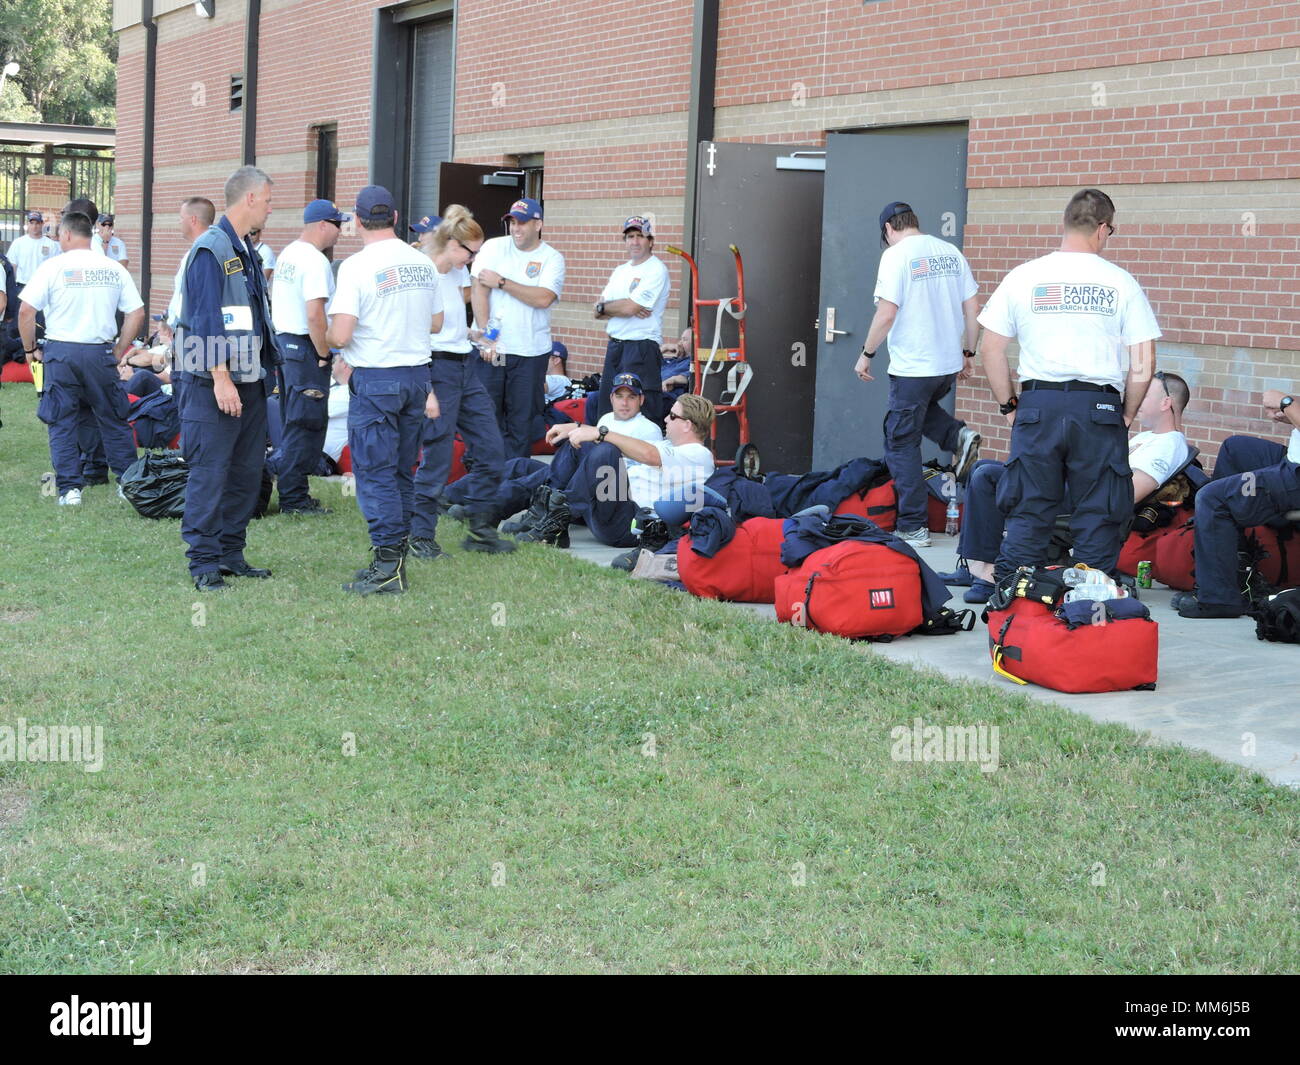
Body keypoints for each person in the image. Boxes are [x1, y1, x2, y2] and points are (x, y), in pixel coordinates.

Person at [980, 188, 1160, 582]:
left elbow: (990, 349)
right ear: (1102, 228)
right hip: (1098, 410)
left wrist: (1010, 407)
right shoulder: (1120, 283)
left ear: (1065, 225)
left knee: (1029, 507)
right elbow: (1144, 361)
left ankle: (1012, 603)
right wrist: (1126, 413)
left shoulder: (1023, 276)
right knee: (1099, 511)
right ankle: (1091, 609)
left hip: (1038, 406)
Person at [943, 372, 1192, 602]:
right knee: (982, 469)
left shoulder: (1171, 444)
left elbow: (1129, 492)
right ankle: (976, 565)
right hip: (1080, 485)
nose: (1136, 400)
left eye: (1146, 394)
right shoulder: (1145, 438)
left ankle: (987, 577)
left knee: (987, 475)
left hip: (1090, 498)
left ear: (1165, 403)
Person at [326, 184, 443, 595]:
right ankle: (393, 559)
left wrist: (325, 333)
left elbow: (340, 334)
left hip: (376, 378)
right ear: (395, 217)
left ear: (357, 221)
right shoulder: (423, 263)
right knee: (400, 473)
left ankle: (389, 566)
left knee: (375, 476)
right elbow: (437, 322)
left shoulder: (355, 267)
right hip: (416, 377)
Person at [174, 165, 279, 591]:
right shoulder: (210, 249)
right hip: (213, 384)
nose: (272, 208)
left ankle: (231, 553)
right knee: (211, 472)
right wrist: (220, 378)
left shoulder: (245, 249)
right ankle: (203, 563)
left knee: (245, 471)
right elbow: (204, 319)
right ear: (250, 199)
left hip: (249, 381)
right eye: (269, 200)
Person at [855, 201, 982, 548]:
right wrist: (968, 352)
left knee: (900, 443)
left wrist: (866, 354)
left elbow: (886, 313)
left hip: (914, 367)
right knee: (919, 414)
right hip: (945, 367)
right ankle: (957, 437)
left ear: (888, 229)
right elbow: (972, 307)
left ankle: (913, 525)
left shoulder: (895, 256)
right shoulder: (950, 252)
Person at [16, 211, 144, 505]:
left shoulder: (53, 267)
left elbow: (26, 311)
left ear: (69, 234)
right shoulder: (113, 268)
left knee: (61, 420)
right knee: (113, 418)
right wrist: (119, 349)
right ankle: (128, 482)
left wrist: (28, 349)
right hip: (100, 352)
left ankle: (70, 490)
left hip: (61, 352)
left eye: (59, 234)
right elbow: (136, 312)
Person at [409, 204, 514, 558]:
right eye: (471, 253)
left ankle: (480, 531)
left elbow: (451, 324)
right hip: (436, 369)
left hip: (464, 366)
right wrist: (426, 388)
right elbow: (413, 334)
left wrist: (475, 336)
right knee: (436, 455)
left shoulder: (455, 273)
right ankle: (421, 535)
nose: (473, 262)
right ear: (453, 244)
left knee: (491, 449)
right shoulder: (423, 274)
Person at [525, 392, 715, 549]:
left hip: (629, 525)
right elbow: (630, 446)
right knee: (583, 445)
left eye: (672, 415)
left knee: (606, 449)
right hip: (611, 506)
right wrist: (577, 428)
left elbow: (649, 455)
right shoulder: (667, 446)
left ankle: (555, 520)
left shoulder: (698, 455)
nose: (666, 418)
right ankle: (542, 512)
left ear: (687, 425)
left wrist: (600, 433)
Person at [1175, 388, 1300, 618]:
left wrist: (1286, 402)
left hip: (1296, 475)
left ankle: (1219, 598)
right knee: (1236, 449)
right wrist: (1292, 412)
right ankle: (1235, 560)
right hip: (1290, 459)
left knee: (1213, 499)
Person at [499, 371, 665, 538]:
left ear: (641, 400)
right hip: (585, 484)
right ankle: (480, 485)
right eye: (620, 396)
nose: (625, 402)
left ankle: (497, 504)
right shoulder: (607, 419)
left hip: (606, 498)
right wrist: (575, 428)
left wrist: (580, 432)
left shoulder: (649, 429)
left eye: (631, 397)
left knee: (582, 449)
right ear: (611, 398)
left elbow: (633, 476)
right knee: (522, 465)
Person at [270, 198, 349, 516]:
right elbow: (316, 314)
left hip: (287, 345)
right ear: (322, 225)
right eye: (337, 225)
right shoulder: (315, 261)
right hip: (305, 348)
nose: (340, 233)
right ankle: (294, 498)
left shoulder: (289, 252)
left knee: (294, 421)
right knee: (307, 424)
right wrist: (322, 353)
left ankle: (293, 490)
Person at [471, 197, 565, 458]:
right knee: (485, 418)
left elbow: (542, 298)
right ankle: (481, 481)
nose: (516, 228)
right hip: (494, 349)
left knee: (521, 423)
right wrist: (485, 337)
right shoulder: (493, 247)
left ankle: (514, 484)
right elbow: (479, 289)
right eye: (512, 222)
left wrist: (502, 282)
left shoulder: (551, 258)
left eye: (522, 223)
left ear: (538, 224)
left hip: (530, 353)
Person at [594, 214, 670, 425]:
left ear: (651, 241)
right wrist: (615, 307)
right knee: (609, 411)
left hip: (641, 348)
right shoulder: (620, 271)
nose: (634, 242)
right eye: (630, 237)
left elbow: (630, 307)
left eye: (640, 236)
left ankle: (642, 456)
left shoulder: (656, 269)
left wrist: (617, 306)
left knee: (641, 412)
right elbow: (597, 311)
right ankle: (610, 458)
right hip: (616, 346)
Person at [7, 211, 60, 285]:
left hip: (42, 286)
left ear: (42, 224)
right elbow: (13, 266)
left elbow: (55, 268)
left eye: (37, 223)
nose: (34, 226)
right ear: (27, 224)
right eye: (31, 223)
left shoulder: (51, 244)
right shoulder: (18, 243)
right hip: (22, 285)